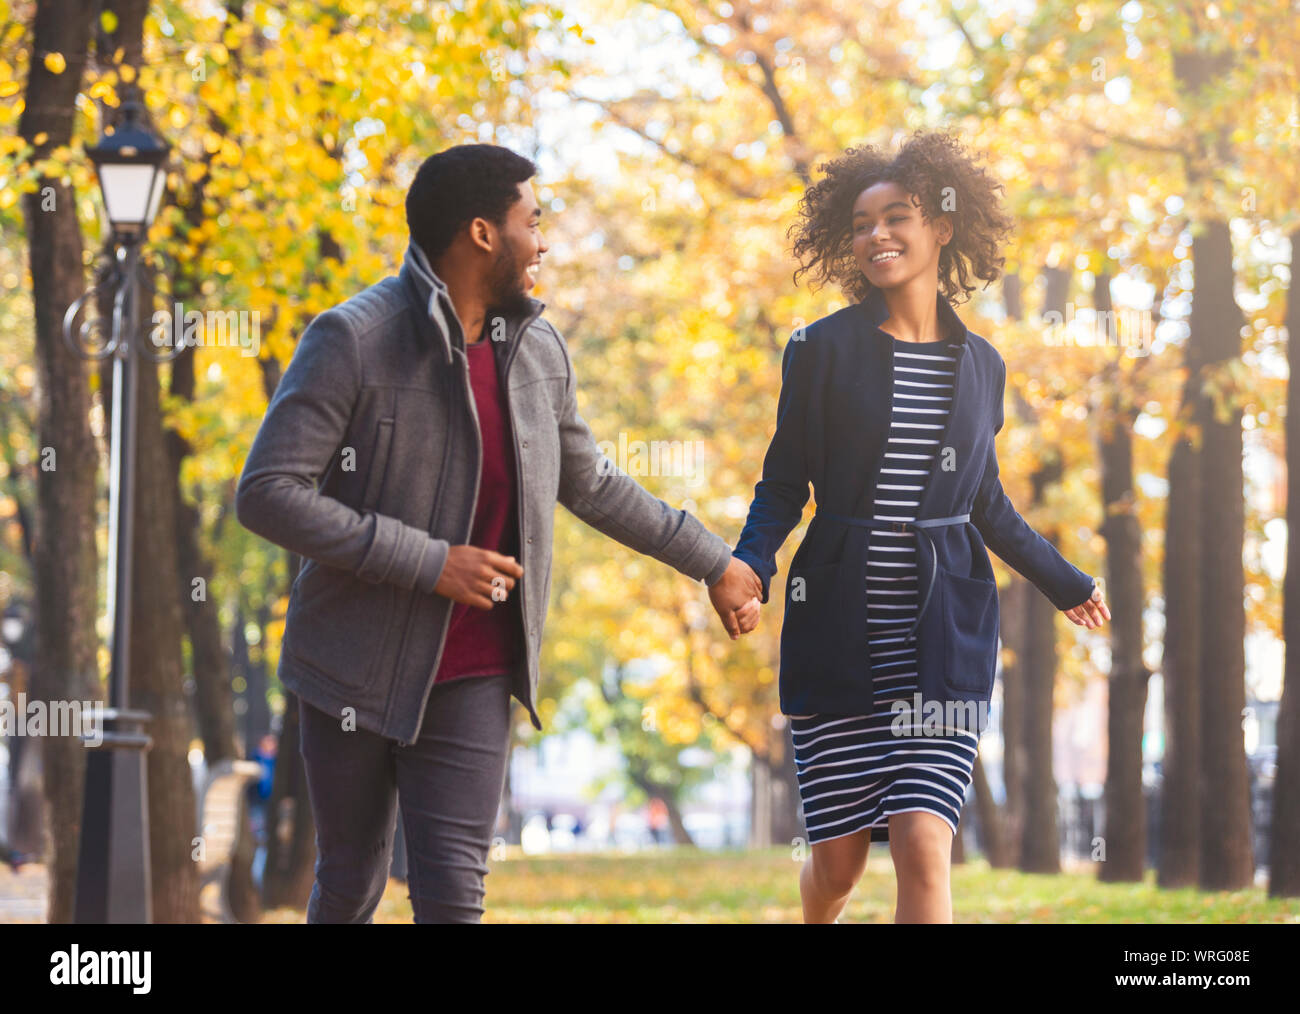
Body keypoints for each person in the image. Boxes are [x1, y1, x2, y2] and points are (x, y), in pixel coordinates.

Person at [234, 143, 761, 923]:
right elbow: (268, 494)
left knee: (454, 898)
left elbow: (591, 482)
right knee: (350, 882)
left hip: (475, 670)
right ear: (483, 233)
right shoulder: (354, 338)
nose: (542, 243)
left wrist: (711, 560)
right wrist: (429, 562)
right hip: (351, 666)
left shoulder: (536, 350)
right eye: (532, 222)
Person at [731, 131, 1111, 924]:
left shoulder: (983, 365)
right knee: (836, 867)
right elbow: (784, 482)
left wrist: (1065, 582)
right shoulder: (819, 349)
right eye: (862, 225)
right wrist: (750, 566)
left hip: (942, 637)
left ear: (941, 226)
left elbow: (985, 501)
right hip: (839, 630)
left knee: (923, 843)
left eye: (896, 217)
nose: (877, 235)